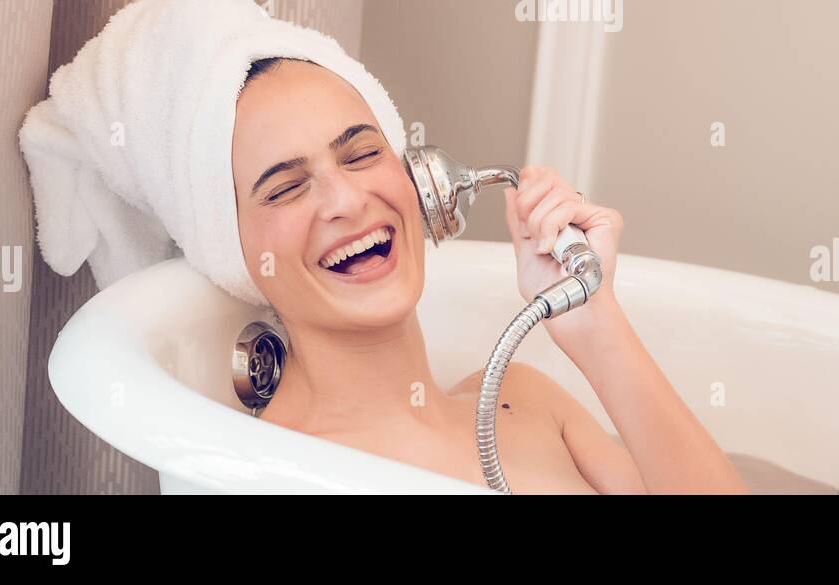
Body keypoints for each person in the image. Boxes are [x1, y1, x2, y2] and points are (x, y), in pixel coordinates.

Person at [232, 55, 749, 495]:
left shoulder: (526, 401)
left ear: (419, 183)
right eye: (285, 189)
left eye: (363, 154)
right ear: (232, 250)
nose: (346, 200)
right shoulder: (272, 475)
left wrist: (594, 325)